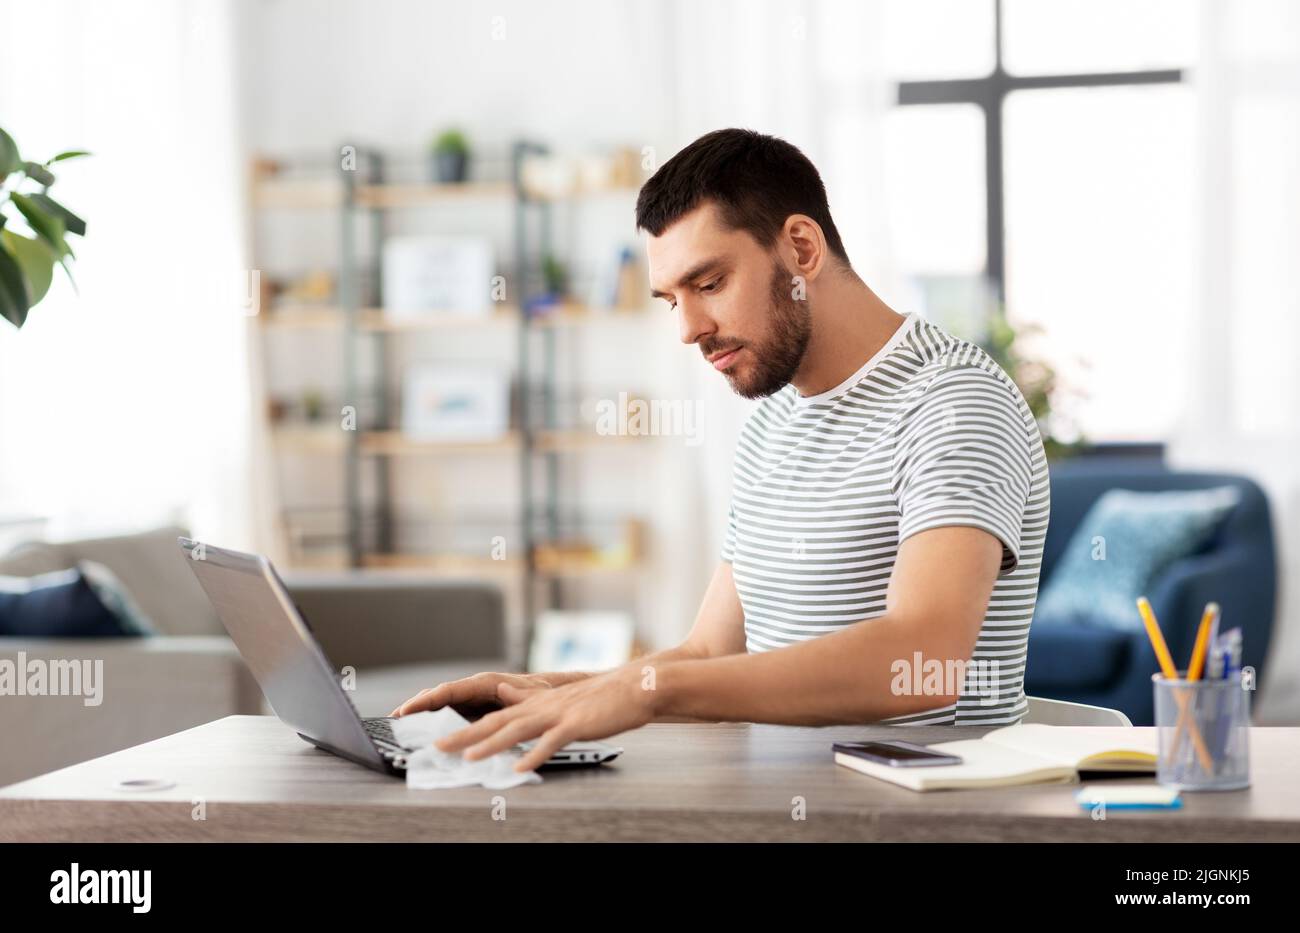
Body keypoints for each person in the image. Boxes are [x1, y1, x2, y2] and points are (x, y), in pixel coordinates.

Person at [392, 128, 1049, 773]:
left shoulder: (954, 401)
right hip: (775, 807)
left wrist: (649, 694)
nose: (688, 329)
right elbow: (710, 652)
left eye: (708, 284)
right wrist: (555, 691)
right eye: (671, 299)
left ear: (800, 247)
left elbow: (922, 660)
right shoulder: (772, 422)